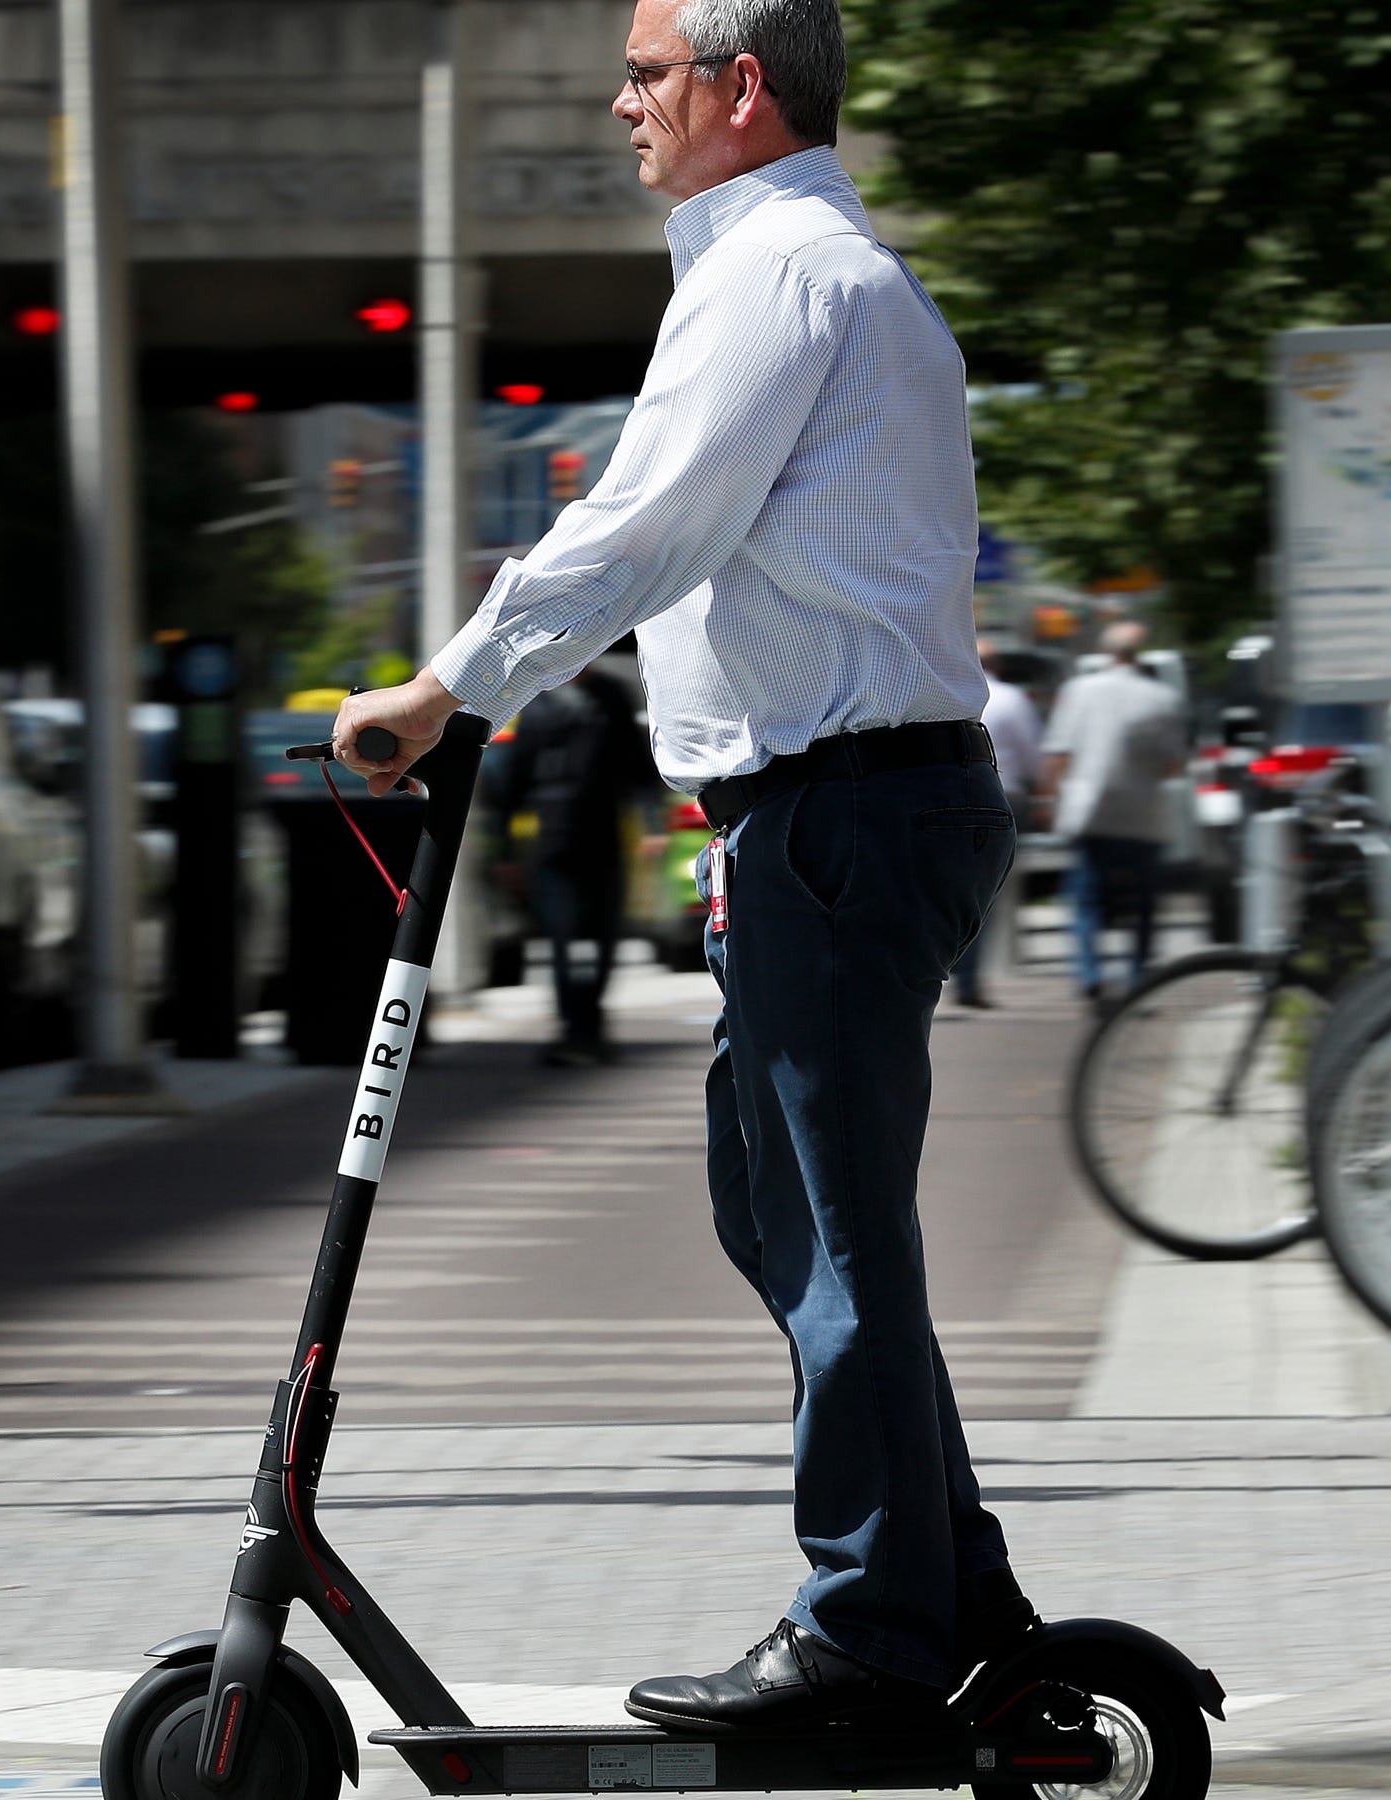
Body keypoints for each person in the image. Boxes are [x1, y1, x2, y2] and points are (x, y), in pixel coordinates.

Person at [331, 0, 1034, 1730]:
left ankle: (874, 1624)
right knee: (785, 1207)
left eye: (650, 70)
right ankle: (947, 1579)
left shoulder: (782, 273)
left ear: (740, 89)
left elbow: (650, 525)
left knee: (834, 1225)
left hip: (846, 815)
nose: (621, 98)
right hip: (831, 815)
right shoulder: (776, 266)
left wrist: (443, 688)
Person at [495, 661, 655, 1064]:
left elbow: (640, 766)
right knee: (564, 939)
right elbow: (513, 782)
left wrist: (654, 826)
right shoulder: (538, 703)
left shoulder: (611, 698)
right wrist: (504, 850)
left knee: (602, 936)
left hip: (604, 837)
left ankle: (590, 1027)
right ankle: (574, 1030)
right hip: (554, 843)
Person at [1039, 622, 1185, 1000]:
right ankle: (1137, 978)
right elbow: (1173, 764)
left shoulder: (1079, 691)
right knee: (1144, 905)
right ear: (1141, 655)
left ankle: (1089, 974)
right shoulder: (1161, 697)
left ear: (1107, 654)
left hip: (1090, 811)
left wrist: (1048, 800)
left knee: (1085, 899)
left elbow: (1058, 753)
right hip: (1142, 814)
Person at [947, 639, 1041, 1009]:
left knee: (951, 890)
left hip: (950, 792)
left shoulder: (949, 690)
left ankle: (954, 972)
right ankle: (973, 978)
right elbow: (1033, 754)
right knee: (987, 895)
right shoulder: (1012, 699)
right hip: (1005, 795)